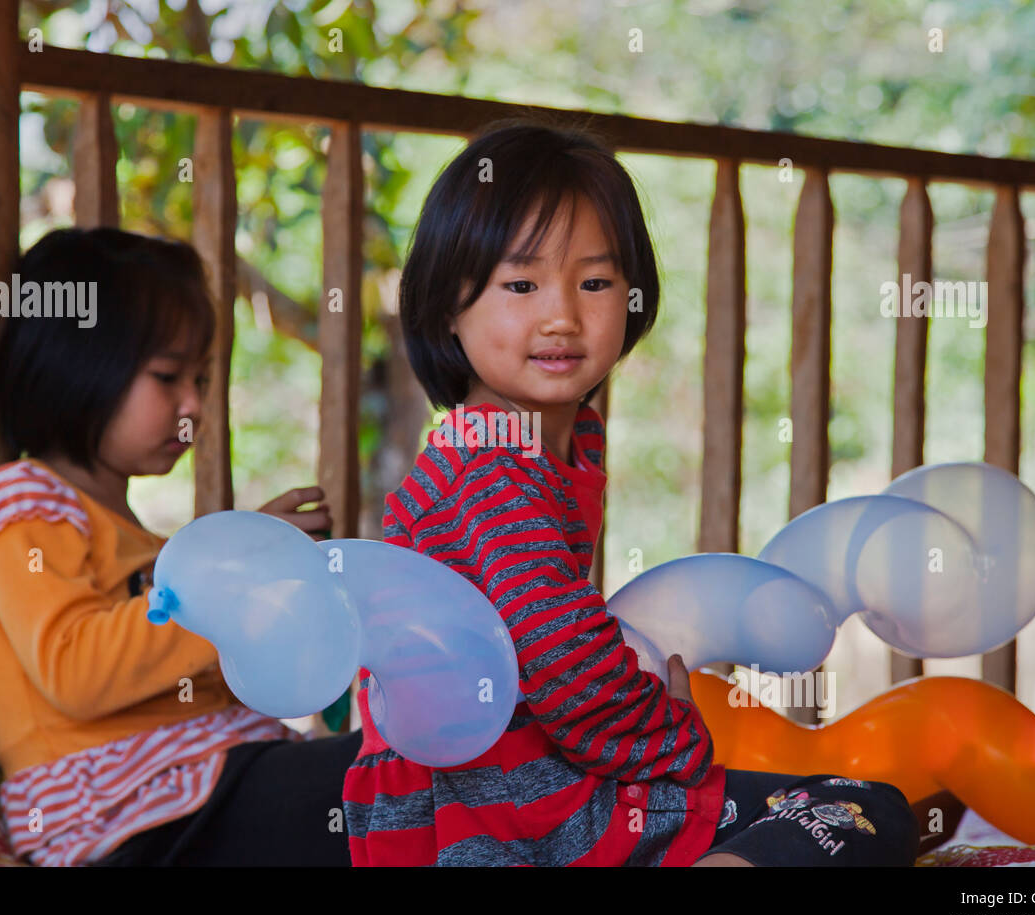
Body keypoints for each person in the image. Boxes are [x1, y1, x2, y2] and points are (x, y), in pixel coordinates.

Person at [342, 120, 920, 867]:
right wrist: (674, 734)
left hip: (502, 802)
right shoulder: (490, 459)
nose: (562, 316)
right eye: (521, 285)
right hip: (496, 812)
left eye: (595, 282)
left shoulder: (549, 442)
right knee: (855, 808)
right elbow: (559, 655)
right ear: (448, 308)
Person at [0, 227, 361, 866]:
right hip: (132, 822)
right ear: (75, 365)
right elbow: (75, 672)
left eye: (200, 377)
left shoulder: (140, 539)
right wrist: (235, 581)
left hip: (204, 795)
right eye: (167, 377)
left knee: (409, 770)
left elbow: (185, 660)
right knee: (392, 784)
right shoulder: (20, 500)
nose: (193, 403)